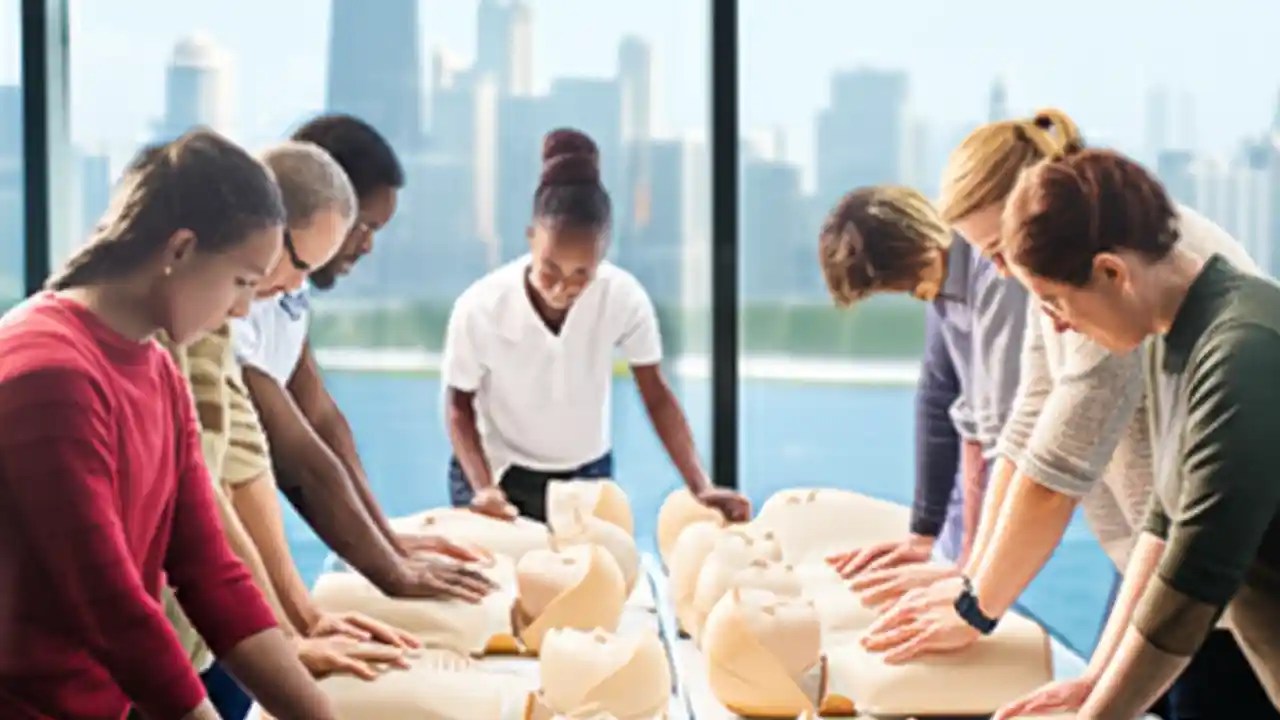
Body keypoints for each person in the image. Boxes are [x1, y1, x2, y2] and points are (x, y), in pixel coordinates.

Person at [0, 130, 335, 719]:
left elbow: (211, 573)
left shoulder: (157, 369)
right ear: (180, 249)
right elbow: (111, 609)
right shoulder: (47, 373)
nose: (240, 310)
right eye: (240, 282)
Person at [992, 149, 1280, 717]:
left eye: (1054, 301)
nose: (1056, 323)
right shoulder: (1171, 338)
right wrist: (1093, 680)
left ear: (1110, 272)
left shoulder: (1242, 351)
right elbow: (1161, 525)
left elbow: (1191, 587)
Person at [155, 141, 425, 719]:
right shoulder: (186, 316)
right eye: (295, 265)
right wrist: (284, 632)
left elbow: (247, 459)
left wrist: (300, 614)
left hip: (203, 635)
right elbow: (207, 496)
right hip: (163, 641)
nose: (287, 287)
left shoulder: (221, 316)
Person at [231, 114, 495, 602]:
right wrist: (389, 572)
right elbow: (298, 457)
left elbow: (320, 418)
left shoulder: (291, 284)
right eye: (365, 225)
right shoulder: (235, 300)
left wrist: (384, 540)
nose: (369, 244)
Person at [442, 128, 750, 524]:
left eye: (580, 276)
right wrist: (484, 489)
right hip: (497, 470)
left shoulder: (623, 297)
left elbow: (656, 396)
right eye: (549, 271)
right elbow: (458, 407)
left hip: (586, 475)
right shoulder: (480, 306)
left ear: (603, 254)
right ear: (531, 238)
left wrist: (700, 485)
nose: (561, 290)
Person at [818, 141, 1034, 573]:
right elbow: (937, 396)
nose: (922, 297)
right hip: (996, 474)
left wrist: (972, 571)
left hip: (1045, 461)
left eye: (917, 285)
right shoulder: (941, 282)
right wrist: (923, 530)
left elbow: (999, 434)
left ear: (927, 245)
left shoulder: (996, 273)